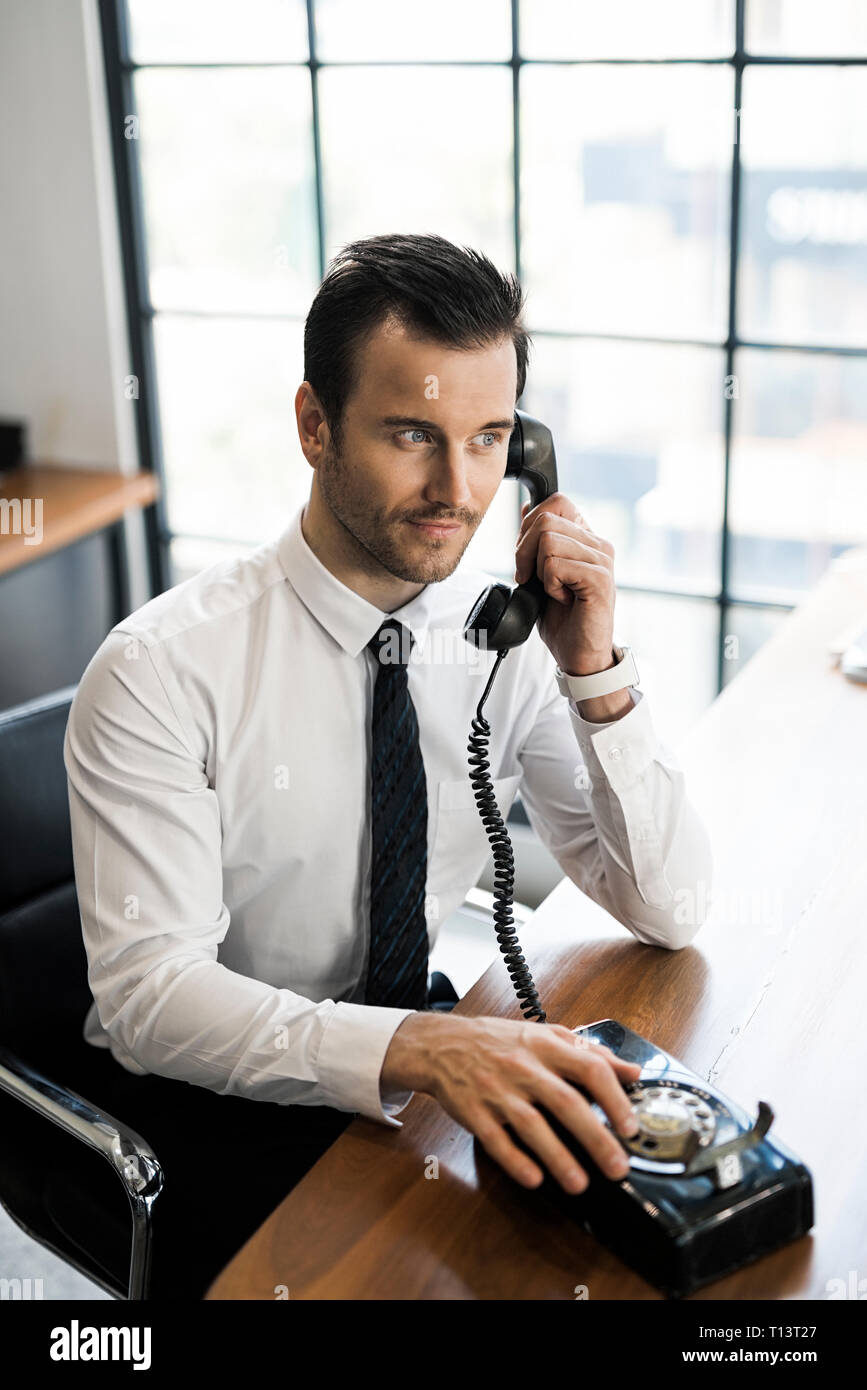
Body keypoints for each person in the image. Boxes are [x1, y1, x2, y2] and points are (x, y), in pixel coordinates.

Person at [64, 231, 713, 1299]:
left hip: (416, 1070)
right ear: (315, 426)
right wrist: (426, 1049)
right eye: (413, 434)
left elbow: (671, 903)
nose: (457, 488)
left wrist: (596, 668)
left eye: (490, 437)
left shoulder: (502, 640)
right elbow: (152, 999)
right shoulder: (158, 672)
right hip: (219, 1107)